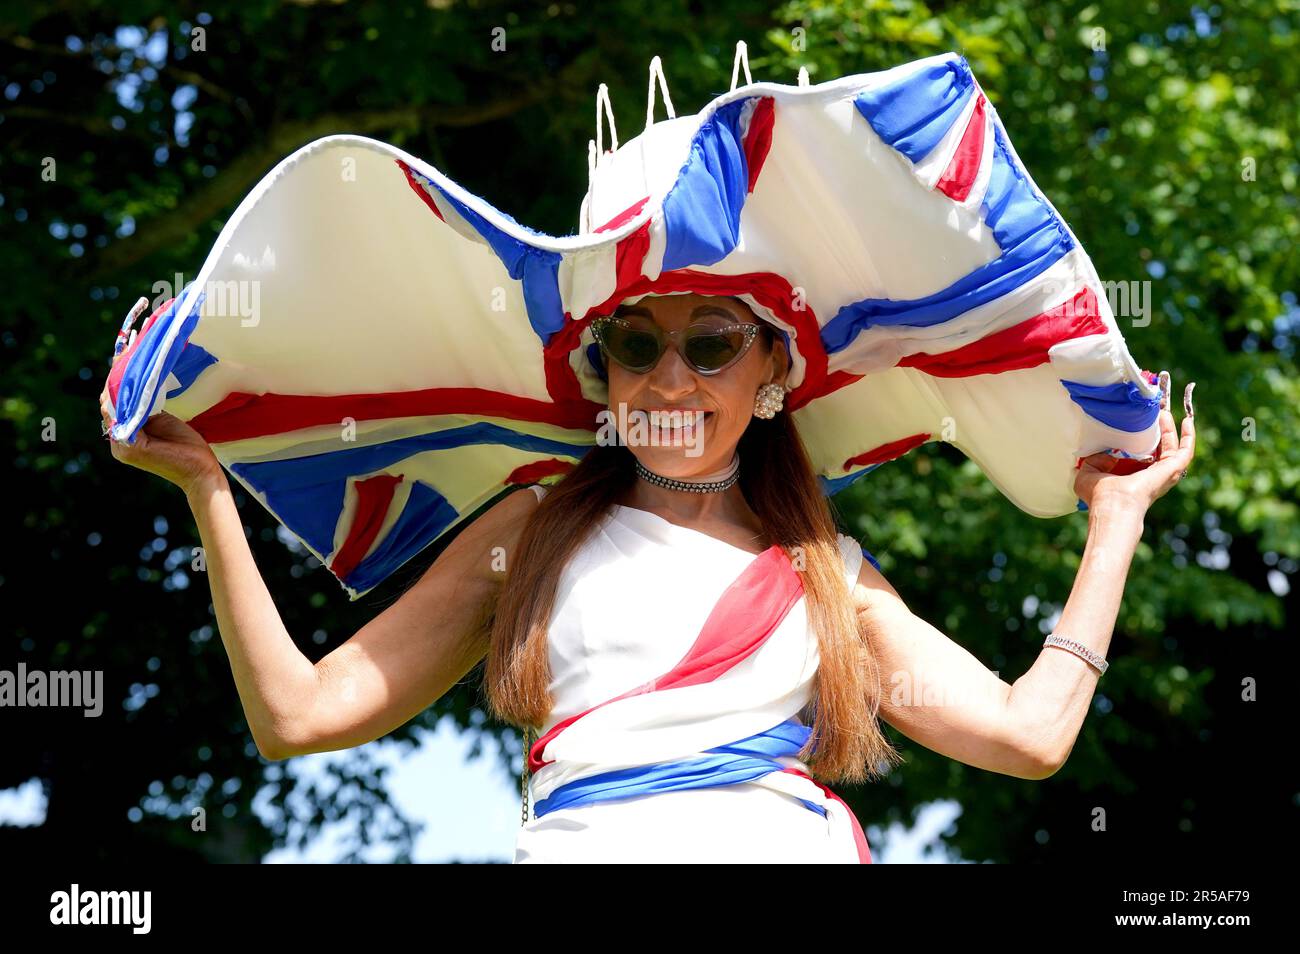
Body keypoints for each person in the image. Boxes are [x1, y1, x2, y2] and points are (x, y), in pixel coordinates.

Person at [98, 289, 1197, 863]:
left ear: (771, 372)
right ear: (602, 373)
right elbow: (298, 713)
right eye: (638, 344)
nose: (671, 375)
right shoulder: (527, 530)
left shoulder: (829, 575)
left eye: (711, 345)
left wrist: (1115, 520)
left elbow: (1027, 736)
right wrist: (207, 492)